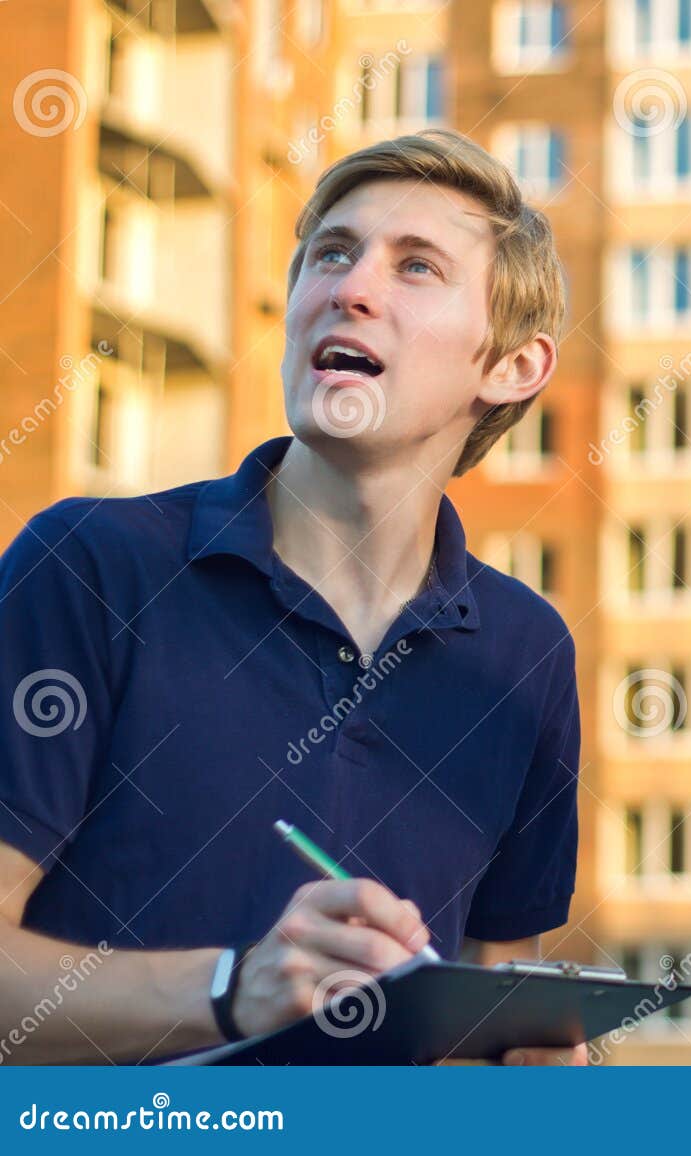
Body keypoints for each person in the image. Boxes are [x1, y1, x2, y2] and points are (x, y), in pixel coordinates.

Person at [0, 130, 581, 1065]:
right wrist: (235, 988)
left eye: (417, 267)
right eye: (333, 254)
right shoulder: (90, 564)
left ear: (511, 367)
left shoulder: (528, 654)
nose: (352, 287)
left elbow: (497, 1005)